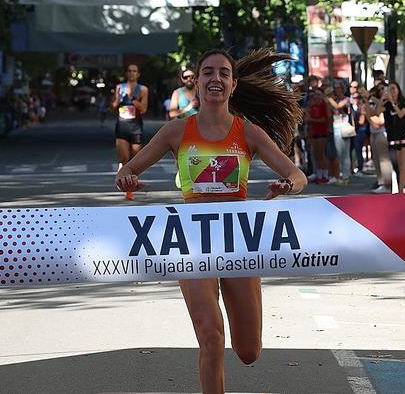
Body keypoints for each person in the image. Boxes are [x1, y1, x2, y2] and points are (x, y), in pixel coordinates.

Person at [114, 48, 306, 394]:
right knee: (212, 336)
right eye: (207, 72)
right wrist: (127, 178)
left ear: (233, 85)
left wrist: (287, 185)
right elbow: (127, 170)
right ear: (196, 83)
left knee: (248, 351)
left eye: (223, 74)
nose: (215, 79)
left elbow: (297, 174)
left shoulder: (248, 132)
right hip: (191, 242)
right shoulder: (176, 131)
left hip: (237, 240)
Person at [112, 64, 149, 180]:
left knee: (135, 160)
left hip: (136, 126)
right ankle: (126, 184)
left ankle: (132, 179)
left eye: (134, 71)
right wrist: (117, 99)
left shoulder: (143, 89)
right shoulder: (119, 87)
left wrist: (132, 99)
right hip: (122, 125)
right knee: (124, 159)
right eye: (129, 71)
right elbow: (112, 107)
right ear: (126, 73)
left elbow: (144, 109)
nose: (132, 73)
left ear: (138, 74)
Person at [384, 81, 405, 193]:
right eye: (390, 89)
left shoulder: (404, 102)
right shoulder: (388, 103)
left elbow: (401, 114)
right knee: (401, 167)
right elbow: (377, 111)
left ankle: (400, 191)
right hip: (395, 138)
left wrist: (394, 103)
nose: (392, 91)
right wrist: (382, 100)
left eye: (393, 89)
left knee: (403, 167)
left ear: (398, 90)